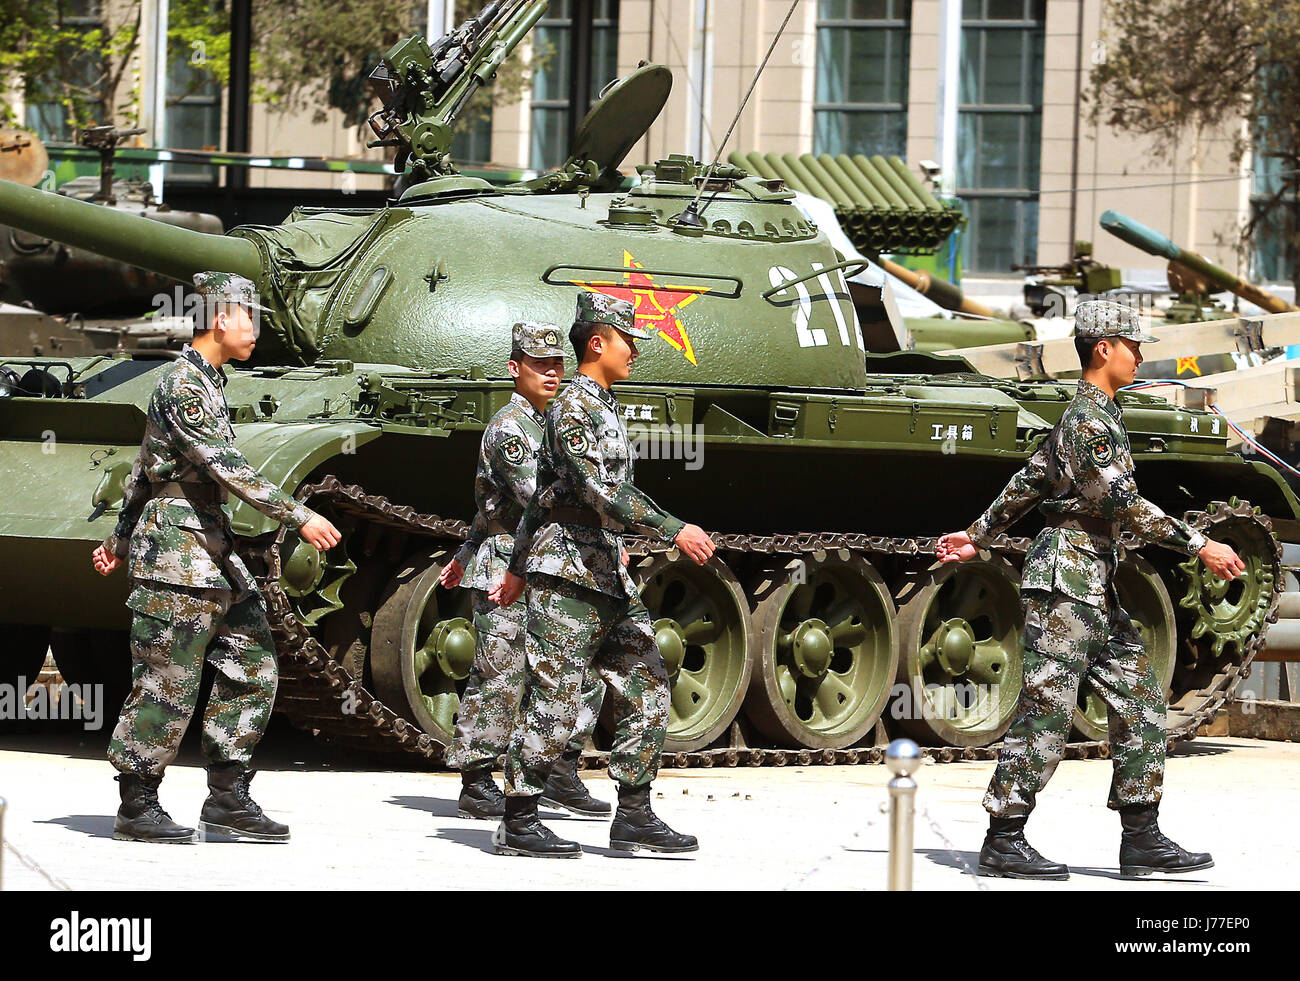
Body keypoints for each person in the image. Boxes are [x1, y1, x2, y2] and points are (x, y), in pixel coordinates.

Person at [937, 299, 1243, 880]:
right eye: (1134, 346)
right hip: (1065, 584)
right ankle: (1004, 837)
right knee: (1047, 710)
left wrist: (978, 534)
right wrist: (1200, 544)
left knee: (1142, 701)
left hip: (1094, 584)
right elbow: (1121, 503)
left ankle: (1141, 836)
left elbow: (1031, 477)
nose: (1141, 356)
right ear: (1103, 348)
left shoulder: (1094, 416)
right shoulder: (1090, 421)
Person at [91, 271, 341, 844]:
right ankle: (138, 803)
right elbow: (225, 466)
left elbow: (139, 471)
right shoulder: (184, 386)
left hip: (212, 550)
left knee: (253, 665)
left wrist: (117, 539)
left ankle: (228, 795)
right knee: (166, 678)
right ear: (221, 318)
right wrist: (299, 515)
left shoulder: (209, 382)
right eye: (249, 317)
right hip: (178, 555)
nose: (256, 329)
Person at [490, 292, 715, 858]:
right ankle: (519, 820)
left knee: (647, 683)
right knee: (556, 696)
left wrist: (515, 568)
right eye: (628, 340)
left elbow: (542, 497)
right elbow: (601, 491)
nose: (636, 351)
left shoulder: (603, 406)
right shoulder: (573, 409)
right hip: (567, 576)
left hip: (604, 576)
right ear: (598, 342)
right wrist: (674, 528)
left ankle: (634, 814)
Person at [439, 321, 610, 820]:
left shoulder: (551, 423)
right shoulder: (510, 430)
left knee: (572, 669)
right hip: (507, 562)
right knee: (501, 672)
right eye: (539, 366)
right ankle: (476, 780)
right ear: (515, 369)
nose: (552, 373)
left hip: (548, 561)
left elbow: (485, 504)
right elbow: (527, 499)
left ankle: (557, 767)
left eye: (558, 364)